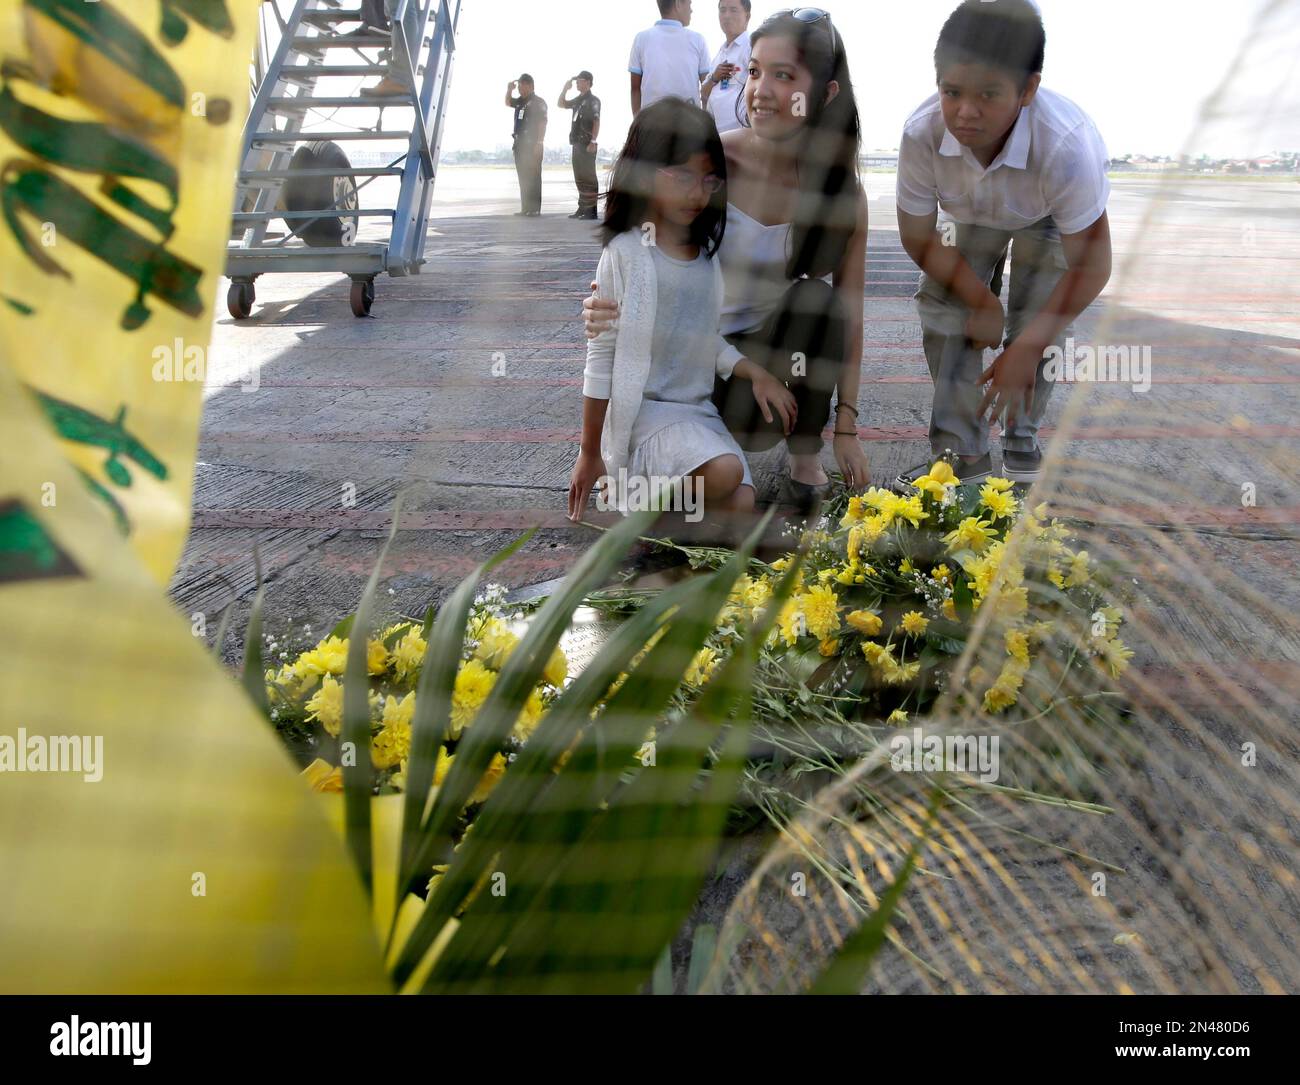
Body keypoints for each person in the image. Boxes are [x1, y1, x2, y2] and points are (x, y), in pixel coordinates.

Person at [588, 10, 872, 509]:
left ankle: (805, 455)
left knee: (818, 301)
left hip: (760, 380)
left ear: (824, 94)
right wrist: (602, 302)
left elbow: (851, 312)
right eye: (755, 70)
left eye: (784, 76)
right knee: (713, 499)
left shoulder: (841, 193)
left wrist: (845, 424)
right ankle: (671, 461)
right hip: (689, 371)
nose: (760, 89)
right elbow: (636, 245)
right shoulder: (712, 166)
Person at [894, 0, 1112, 487]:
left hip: (1047, 214)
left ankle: (1021, 432)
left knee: (1041, 323)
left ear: (1028, 89)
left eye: (989, 95)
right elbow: (917, 234)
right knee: (947, 303)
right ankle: (961, 452)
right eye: (951, 92)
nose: (965, 114)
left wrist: (1027, 348)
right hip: (972, 214)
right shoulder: (921, 133)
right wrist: (980, 298)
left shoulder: (1066, 146)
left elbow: (1093, 268)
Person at [569, 99, 777, 527]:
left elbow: (704, 338)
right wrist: (590, 453)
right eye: (682, 176)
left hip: (697, 412)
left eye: (709, 180)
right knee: (725, 474)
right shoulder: (625, 251)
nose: (697, 193)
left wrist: (753, 371)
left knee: (740, 505)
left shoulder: (704, 257)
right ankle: (630, 488)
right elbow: (601, 354)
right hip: (646, 417)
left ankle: (643, 515)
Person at [629, 0, 713, 116]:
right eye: (690, 4)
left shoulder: (641, 38)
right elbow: (707, 87)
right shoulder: (697, 40)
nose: (691, 10)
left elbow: (635, 88)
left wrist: (637, 123)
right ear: (678, 4)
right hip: (690, 123)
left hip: (650, 123)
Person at [701, 0, 752, 135]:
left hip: (740, 134)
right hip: (715, 134)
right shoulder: (720, 53)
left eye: (733, 10)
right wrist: (714, 77)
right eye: (722, 10)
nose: (726, 15)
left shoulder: (751, 47)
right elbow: (704, 94)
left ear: (747, 16)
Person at [557, 72, 602, 220]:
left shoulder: (593, 100)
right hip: (576, 143)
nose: (577, 84)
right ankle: (582, 208)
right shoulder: (578, 100)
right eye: (576, 82)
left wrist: (593, 141)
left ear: (588, 82)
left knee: (589, 177)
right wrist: (565, 89)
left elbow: (596, 121)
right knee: (579, 177)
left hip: (587, 143)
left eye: (580, 81)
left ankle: (591, 211)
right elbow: (561, 104)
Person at [505, 74, 548, 216]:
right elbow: (508, 102)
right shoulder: (520, 102)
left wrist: (539, 142)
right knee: (523, 177)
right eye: (518, 87)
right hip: (519, 145)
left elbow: (543, 123)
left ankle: (534, 209)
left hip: (532, 145)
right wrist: (509, 89)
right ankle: (526, 208)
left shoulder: (538, 102)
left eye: (522, 86)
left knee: (533, 176)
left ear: (530, 85)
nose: (520, 90)